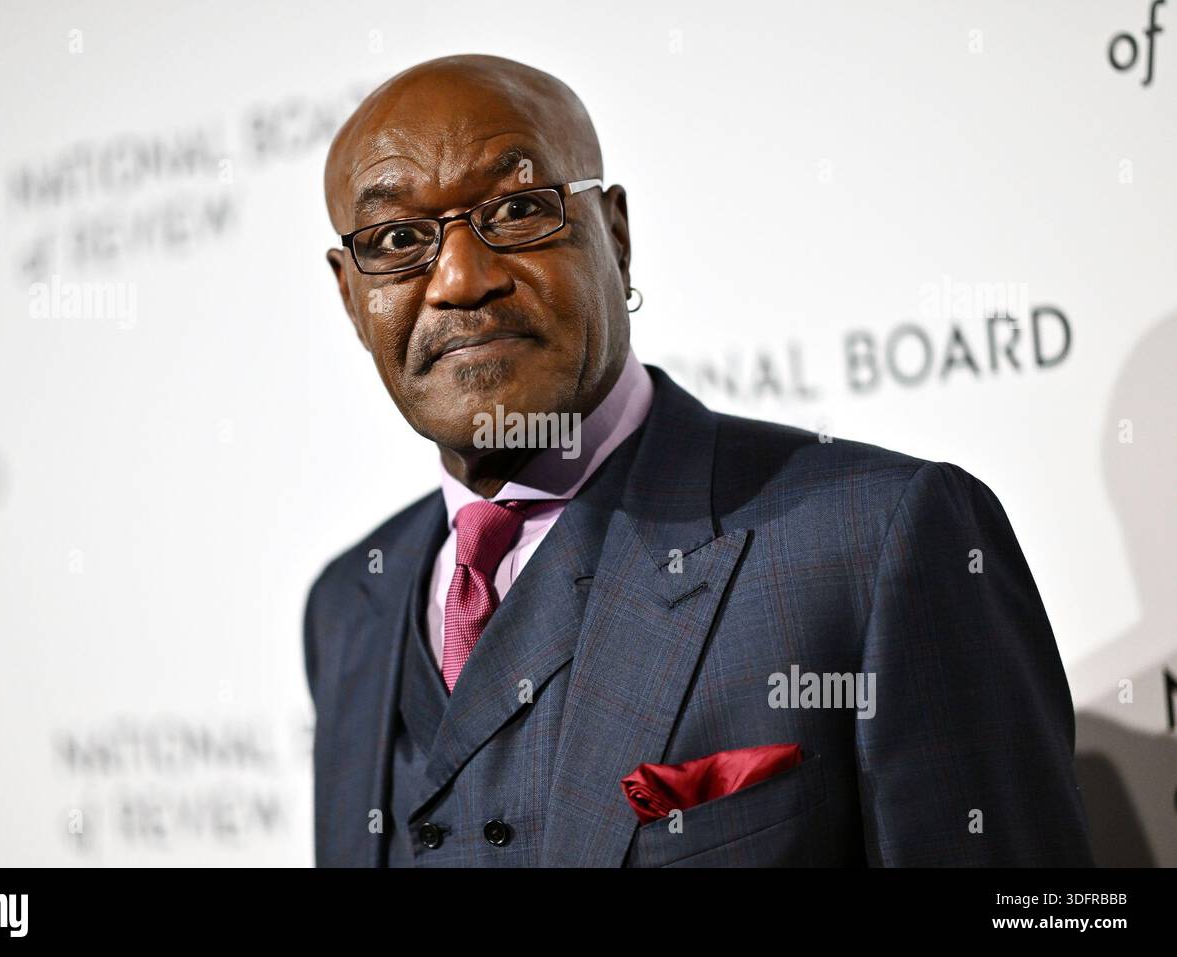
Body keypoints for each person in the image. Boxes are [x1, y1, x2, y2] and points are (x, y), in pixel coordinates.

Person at [303, 53, 1094, 867]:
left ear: (615, 237)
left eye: (517, 210)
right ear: (351, 299)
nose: (461, 279)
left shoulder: (880, 537)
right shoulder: (347, 606)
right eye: (398, 239)